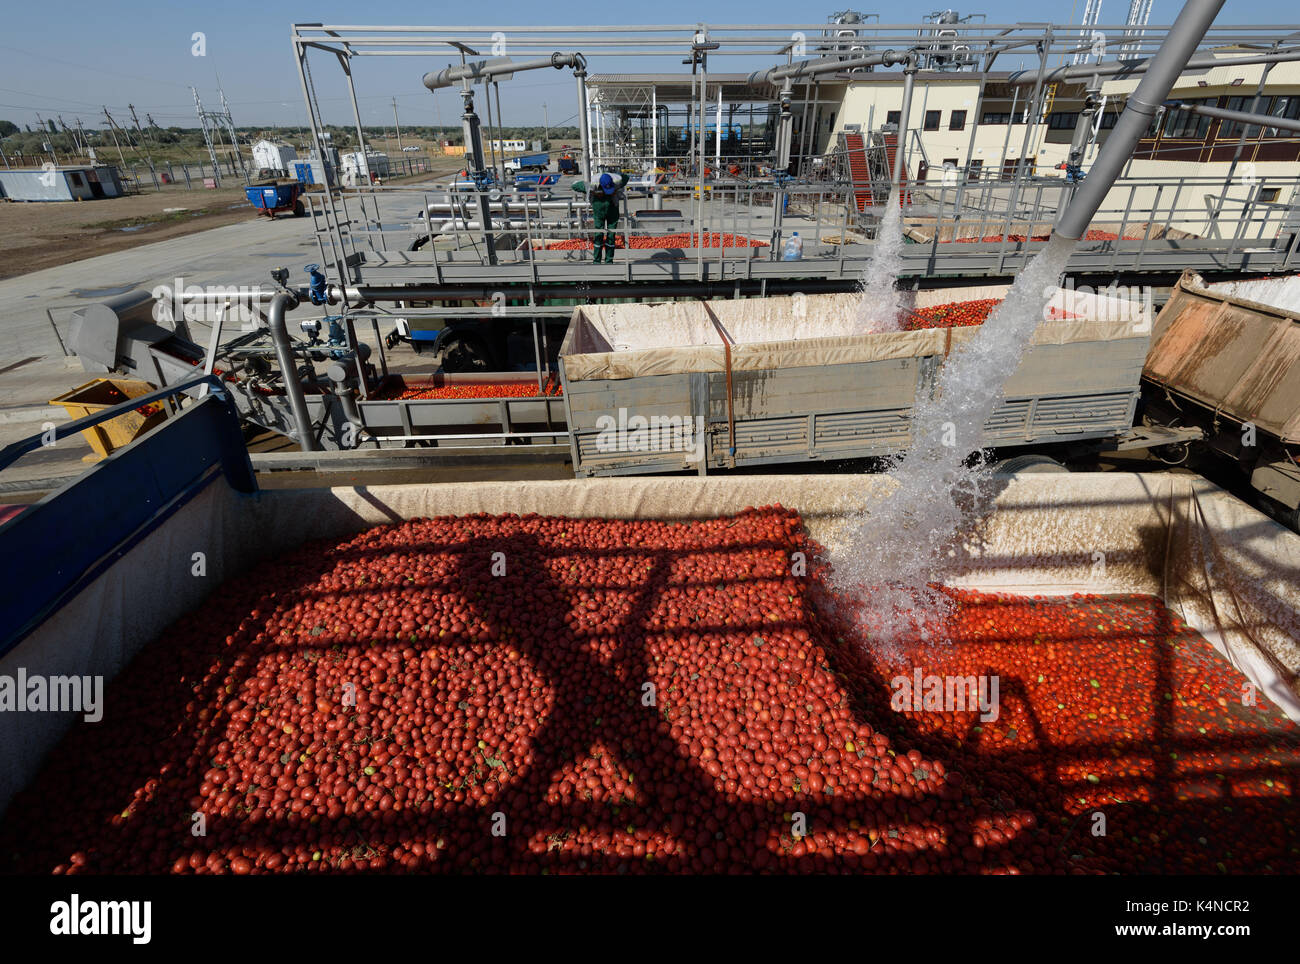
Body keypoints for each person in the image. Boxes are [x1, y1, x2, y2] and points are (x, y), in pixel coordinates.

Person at [572, 171, 630, 264]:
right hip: (599, 211)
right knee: (598, 235)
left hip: (612, 209)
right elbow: (574, 186)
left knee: (611, 235)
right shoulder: (593, 184)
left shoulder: (617, 180)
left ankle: (609, 260)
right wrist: (594, 192)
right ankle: (597, 260)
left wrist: (615, 189)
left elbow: (626, 177)